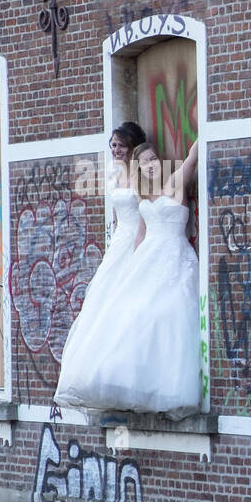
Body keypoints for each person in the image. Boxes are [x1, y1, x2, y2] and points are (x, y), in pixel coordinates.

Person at [87, 140, 202, 416]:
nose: (149, 165)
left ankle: (169, 390)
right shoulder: (143, 195)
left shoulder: (175, 182)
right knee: (132, 315)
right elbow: (140, 233)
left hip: (174, 256)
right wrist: (130, 267)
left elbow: (194, 155)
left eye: (152, 160)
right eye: (143, 163)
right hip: (148, 259)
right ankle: (136, 386)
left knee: (168, 315)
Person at [54, 122, 149, 409]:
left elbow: (146, 210)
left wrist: (141, 248)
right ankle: (100, 375)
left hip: (138, 239)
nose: (115, 150)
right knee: (104, 307)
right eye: (113, 145)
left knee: (129, 305)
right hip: (120, 241)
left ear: (133, 146)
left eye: (120, 145)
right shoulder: (115, 176)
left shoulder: (144, 174)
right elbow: (120, 217)